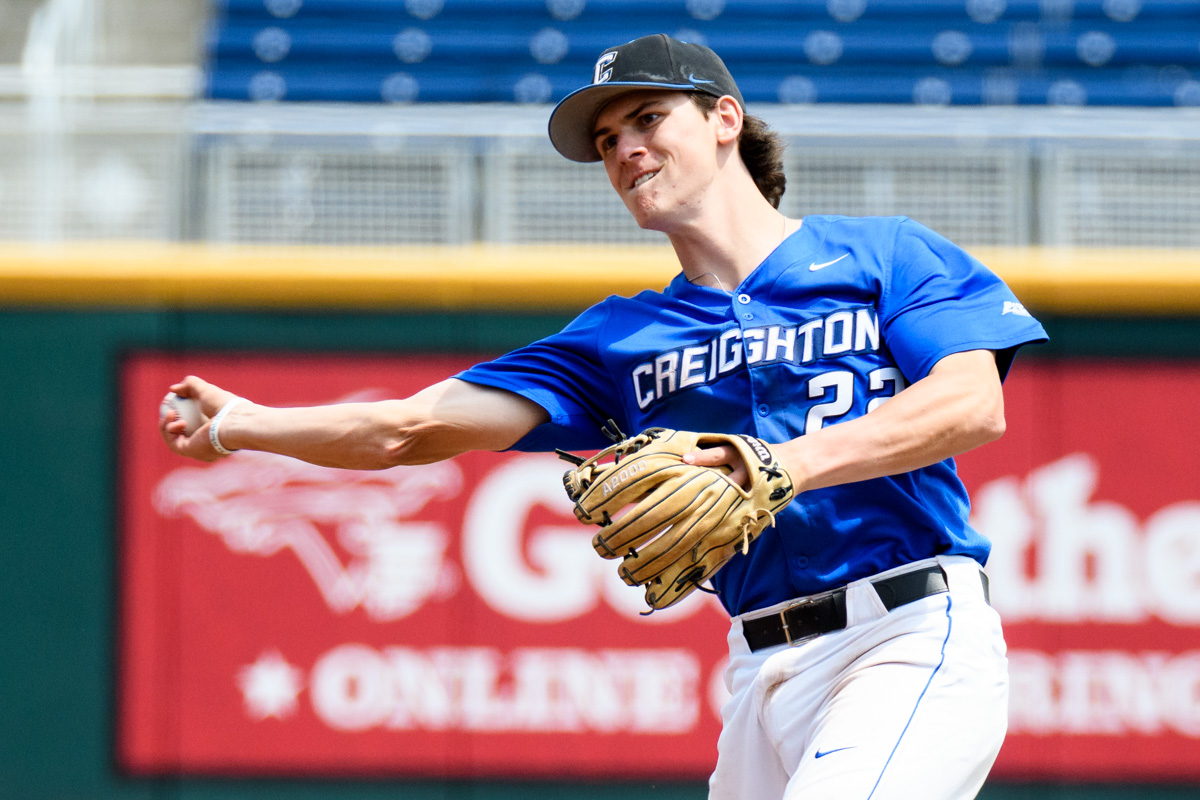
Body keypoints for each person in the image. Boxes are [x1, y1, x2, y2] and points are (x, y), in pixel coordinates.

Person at [162, 34, 1047, 800]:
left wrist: (784, 464)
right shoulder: (620, 340)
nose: (626, 149)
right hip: (760, 671)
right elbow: (408, 429)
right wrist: (243, 425)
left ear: (725, 119)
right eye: (606, 139)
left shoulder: (883, 254)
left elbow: (971, 403)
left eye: (649, 118)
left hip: (907, 633)